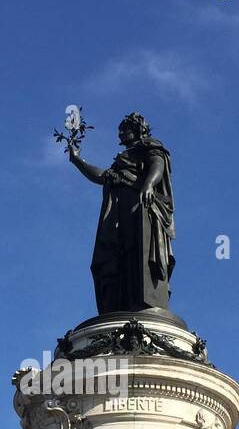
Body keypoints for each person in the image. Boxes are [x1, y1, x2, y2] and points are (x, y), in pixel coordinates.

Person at [68, 112, 175, 314]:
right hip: (118, 214)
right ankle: (122, 303)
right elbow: (102, 176)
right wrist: (77, 161)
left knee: (140, 251)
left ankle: (145, 302)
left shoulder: (150, 146)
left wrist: (149, 185)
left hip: (141, 207)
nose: (120, 134)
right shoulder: (120, 163)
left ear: (137, 129)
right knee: (119, 255)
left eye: (124, 129)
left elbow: (157, 165)